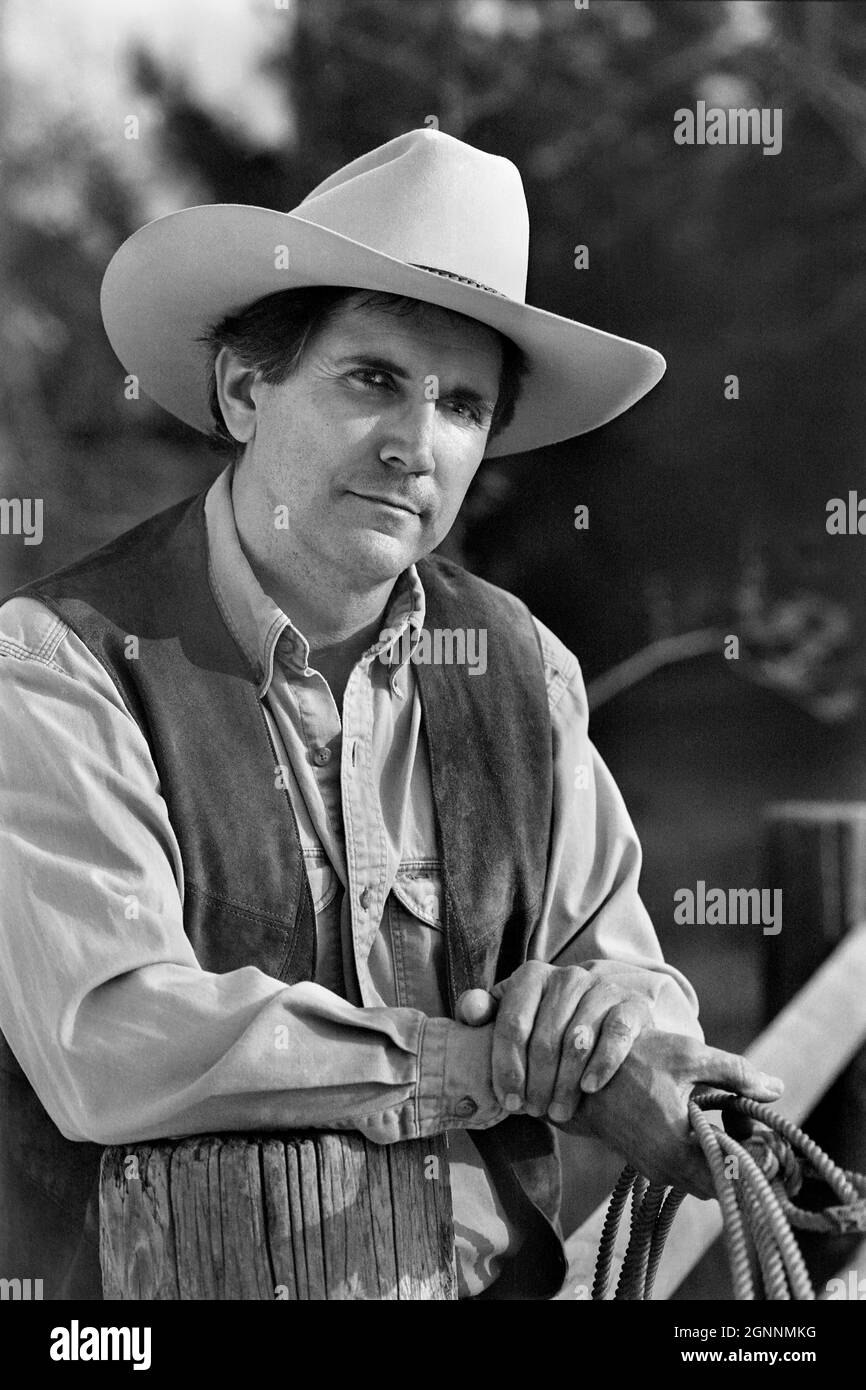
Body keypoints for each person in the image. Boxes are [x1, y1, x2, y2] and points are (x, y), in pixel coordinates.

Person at [0, 128, 783, 1301]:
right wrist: (482, 1063)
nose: (416, 444)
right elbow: (111, 1042)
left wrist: (601, 1025)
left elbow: (635, 982)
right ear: (245, 387)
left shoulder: (524, 671)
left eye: (461, 404)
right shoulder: (56, 663)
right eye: (372, 378)